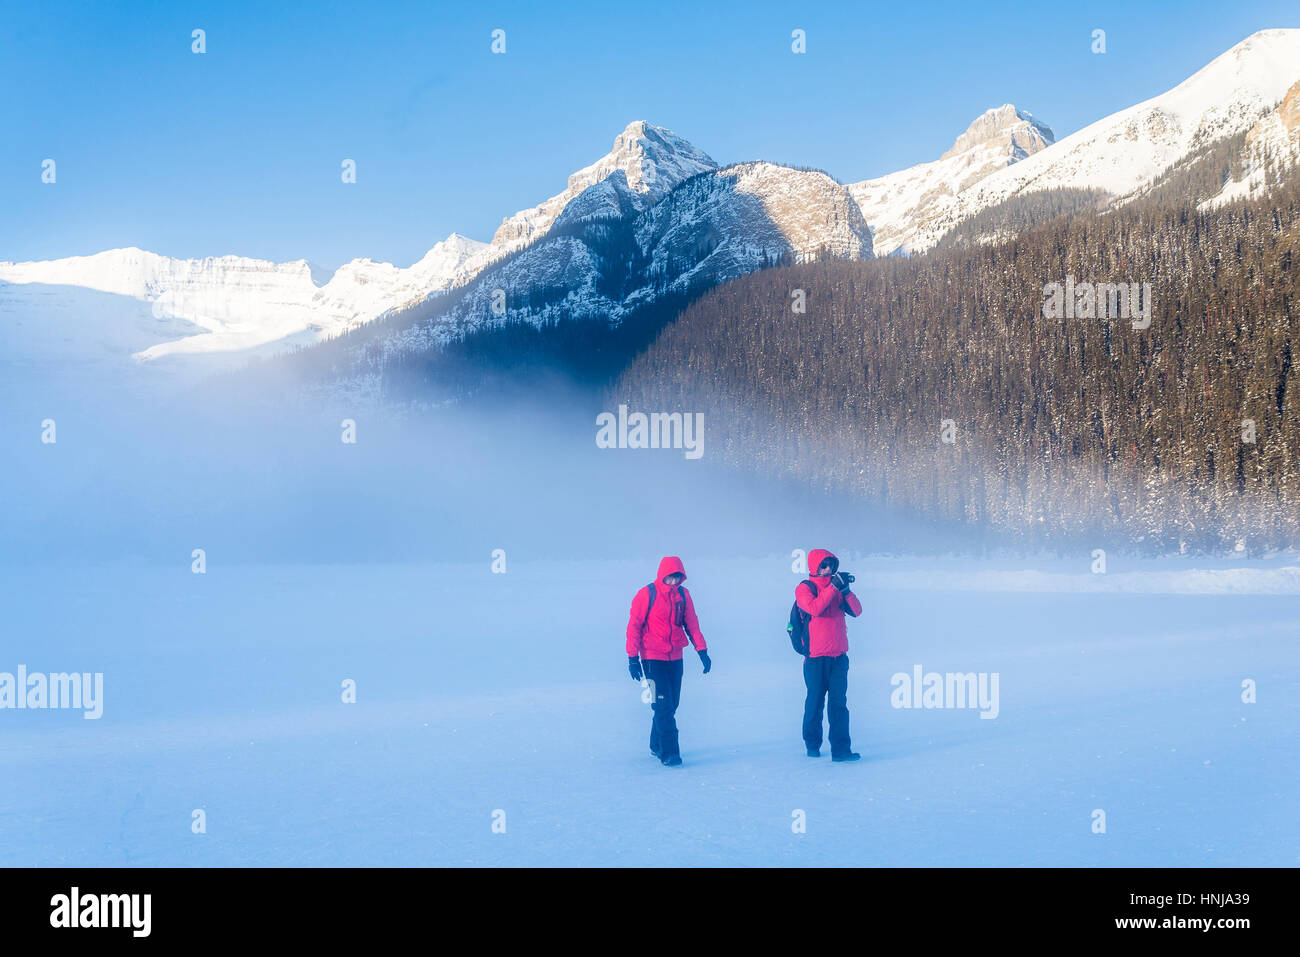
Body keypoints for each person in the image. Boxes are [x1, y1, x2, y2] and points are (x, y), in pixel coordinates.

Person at [625, 557, 710, 767]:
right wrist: (632, 658)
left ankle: (656, 744)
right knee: (662, 705)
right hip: (652, 658)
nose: (674, 581)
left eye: (677, 577)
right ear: (662, 574)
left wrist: (702, 651)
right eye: (671, 577)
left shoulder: (683, 595)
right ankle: (670, 753)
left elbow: (692, 624)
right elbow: (634, 626)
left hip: (675, 658)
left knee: (672, 704)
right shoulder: (646, 594)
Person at [796, 548, 862, 762]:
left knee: (839, 705)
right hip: (815, 659)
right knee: (815, 702)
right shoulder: (804, 588)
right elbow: (815, 608)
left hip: (839, 658)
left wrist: (847, 590)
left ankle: (841, 750)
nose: (828, 569)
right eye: (824, 565)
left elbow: (857, 611)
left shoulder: (836, 589)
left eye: (832, 566)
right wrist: (833, 587)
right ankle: (812, 744)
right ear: (814, 566)